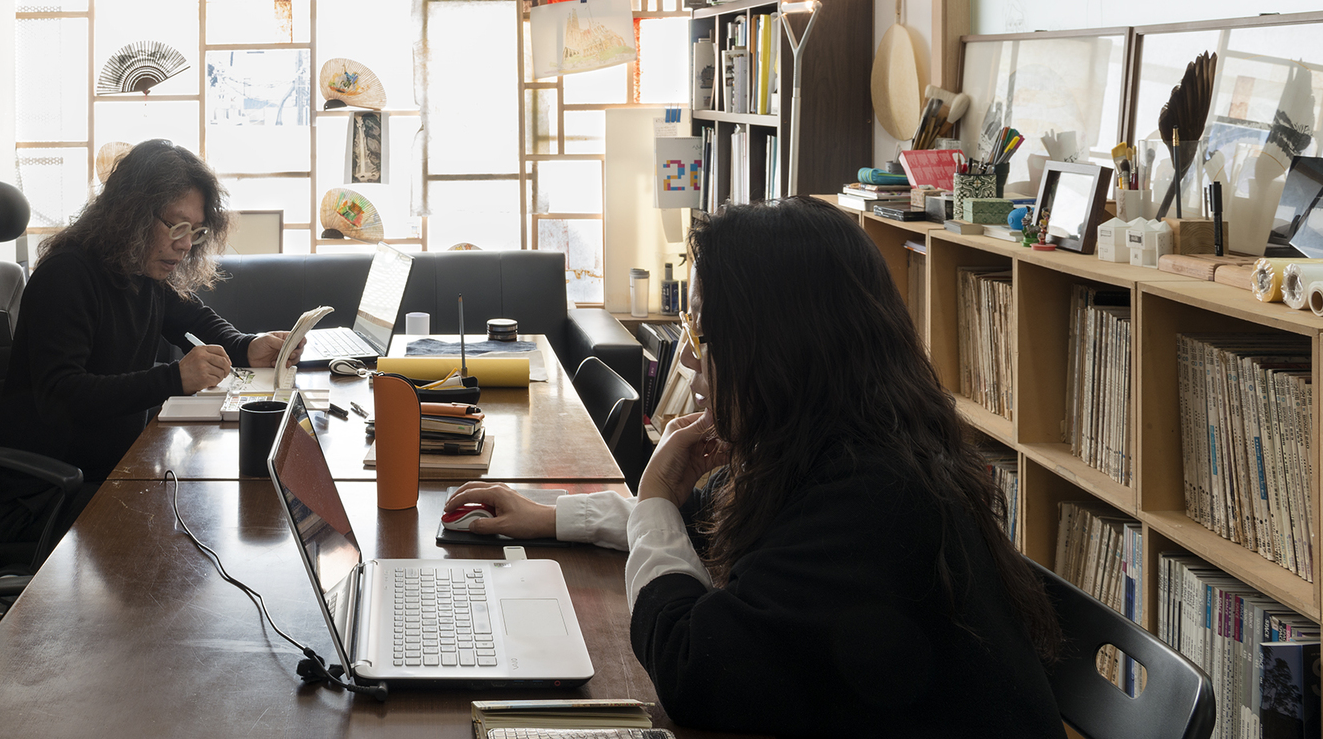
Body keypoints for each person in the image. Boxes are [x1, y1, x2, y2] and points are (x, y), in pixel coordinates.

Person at [446, 197, 1062, 738]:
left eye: (707, 336)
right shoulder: (855, 442)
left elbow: (691, 668)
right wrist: (560, 517)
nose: (692, 358)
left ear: (781, 349)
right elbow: (705, 522)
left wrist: (656, 495)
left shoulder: (874, 497)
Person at [0, 139, 302, 540]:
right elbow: (60, 395)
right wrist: (174, 378)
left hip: (109, 469)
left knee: (212, 512)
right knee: (197, 530)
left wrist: (246, 345)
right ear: (131, 214)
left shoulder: (139, 268)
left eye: (197, 231)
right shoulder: (67, 276)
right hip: (46, 495)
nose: (187, 244)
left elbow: (193, 317)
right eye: (177, 226)